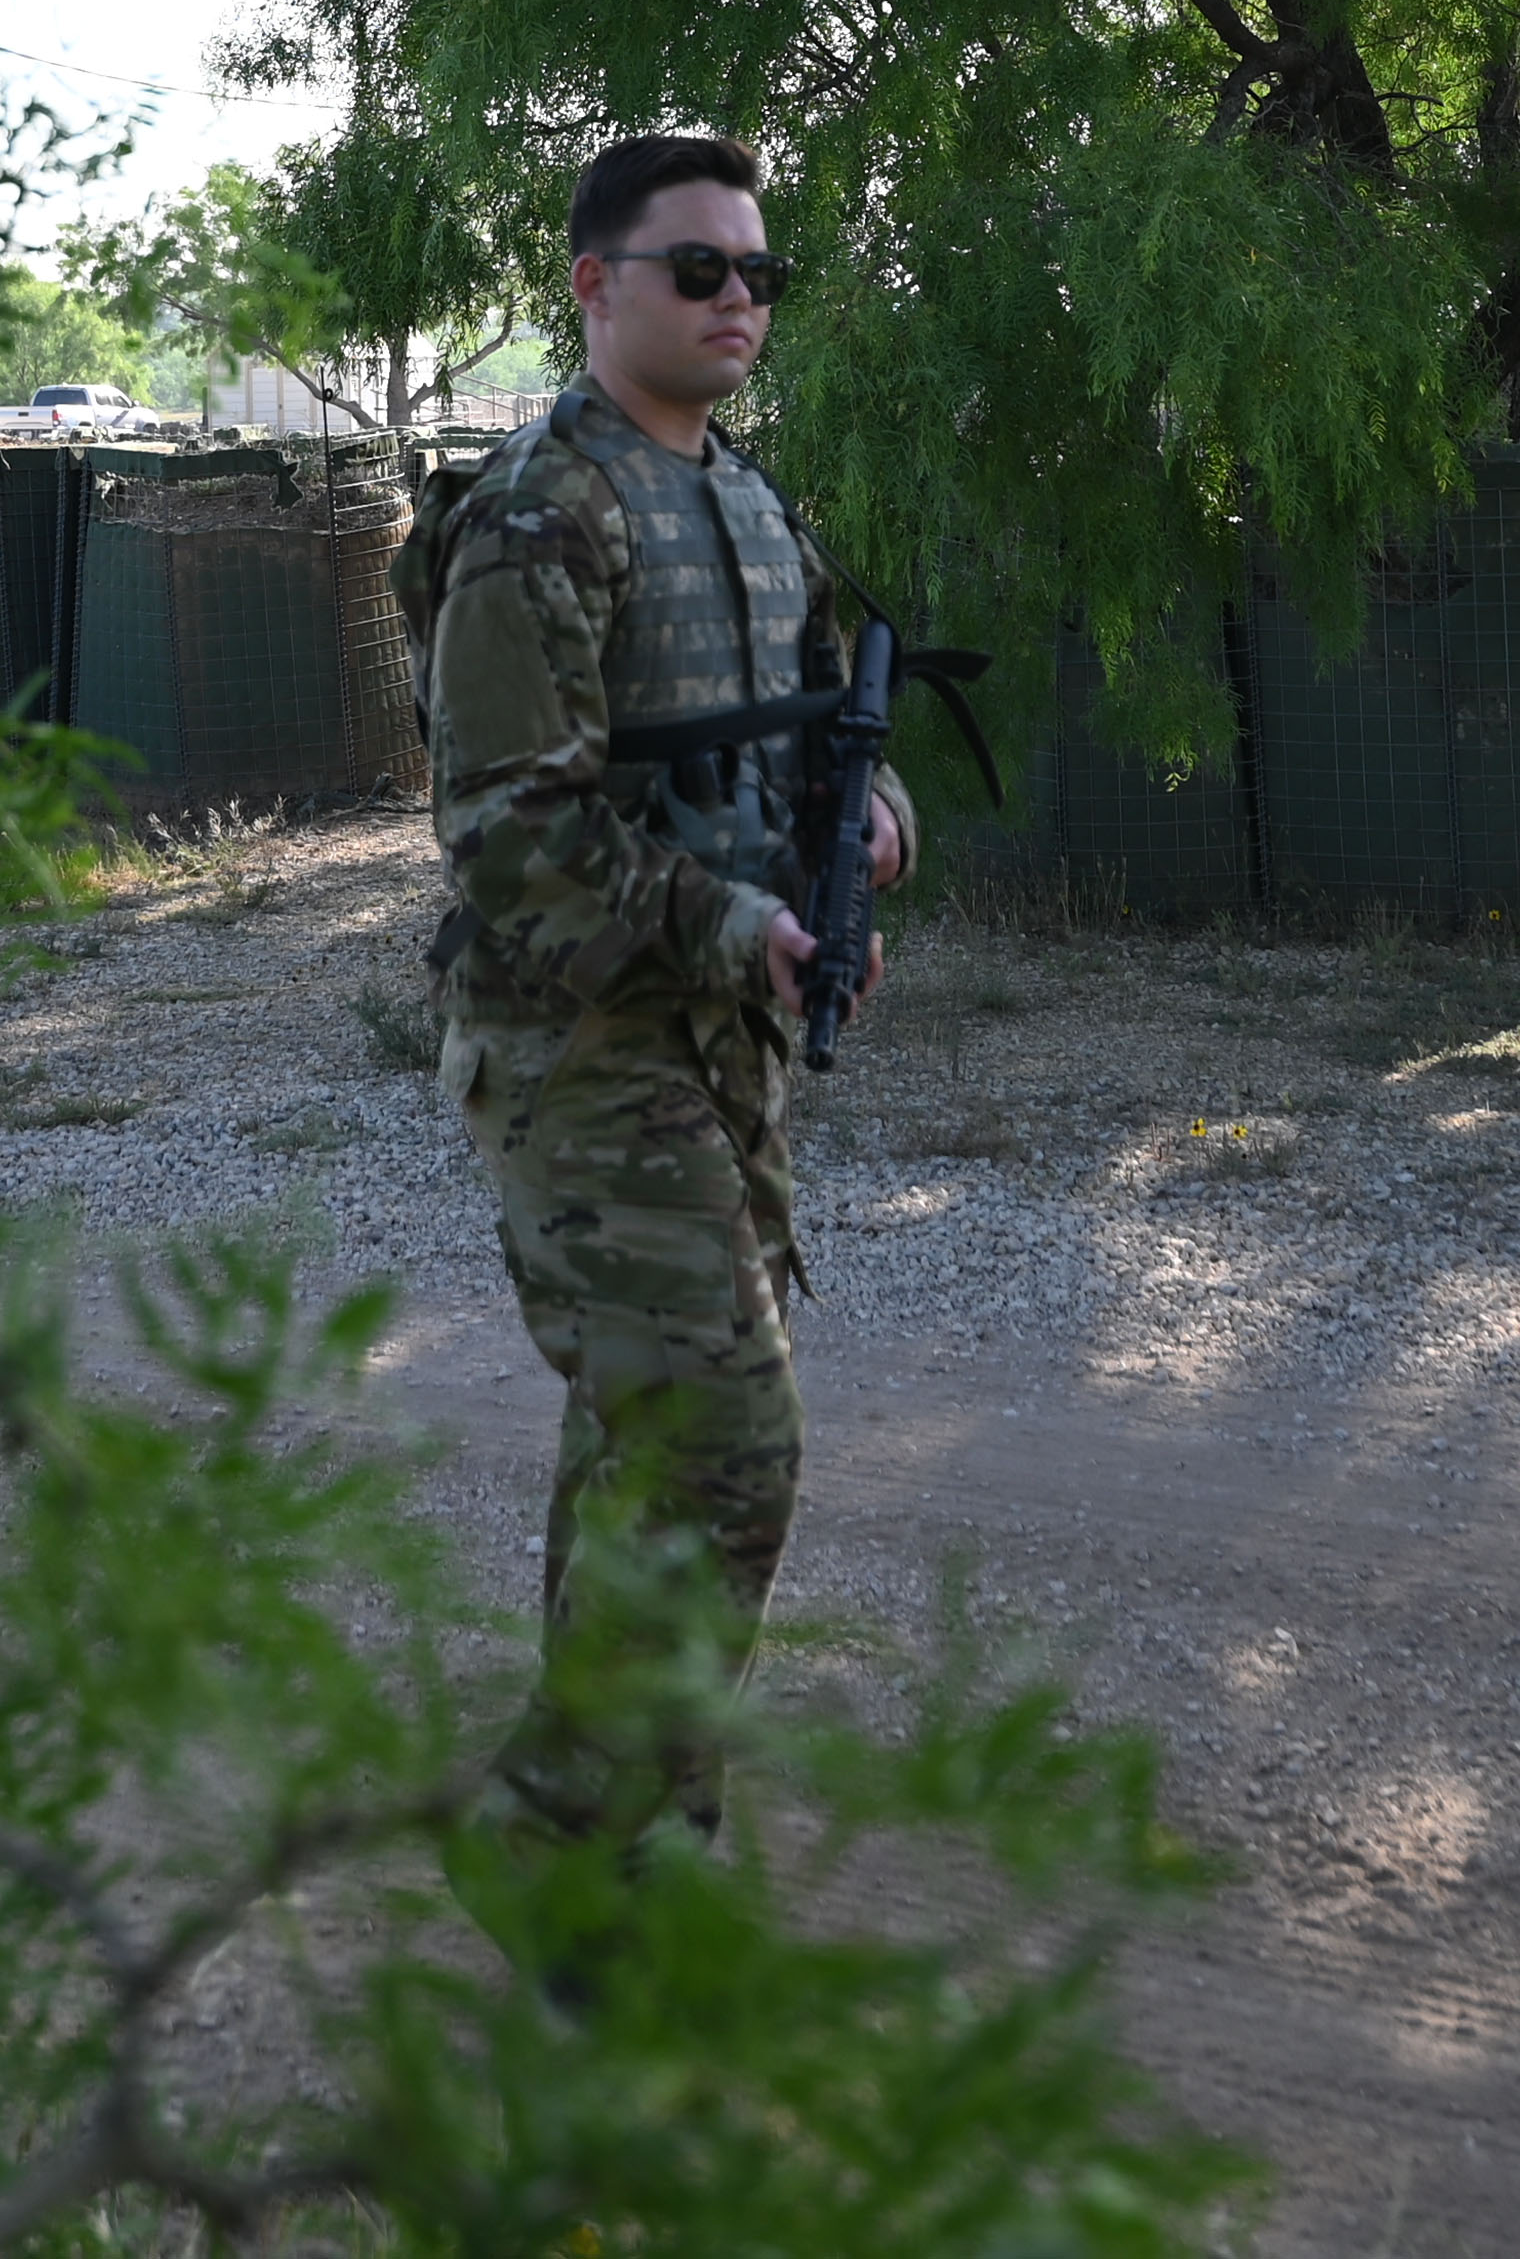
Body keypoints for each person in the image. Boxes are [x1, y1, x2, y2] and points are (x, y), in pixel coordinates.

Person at [419, 130, 914, 1863]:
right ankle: (559, 1834)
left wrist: (867, 816)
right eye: (694, 268)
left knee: (641, 1444)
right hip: (578, 1047)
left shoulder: (755, 509)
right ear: (591, 286)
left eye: (756, 273)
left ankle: (649, 1824)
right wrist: (722, 922)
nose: (735, 300)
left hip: (722, 1047)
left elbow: (807, 745)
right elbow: (508, 834)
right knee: (721, 1431)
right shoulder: (533, 513)